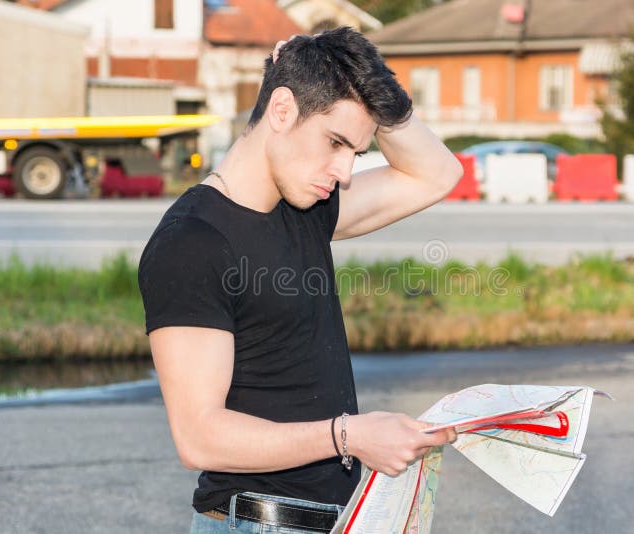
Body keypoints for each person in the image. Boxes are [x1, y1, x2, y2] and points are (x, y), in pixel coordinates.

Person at [138, 27, 462, 533]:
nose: (345, 171)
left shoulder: (305, 206)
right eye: (335, 142)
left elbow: (436, 174)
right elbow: (198, 436)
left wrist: (374, 89)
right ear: (282, 110)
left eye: (355, 151)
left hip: (334, 520)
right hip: (256, 523)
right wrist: (348, 436)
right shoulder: (192, 242)